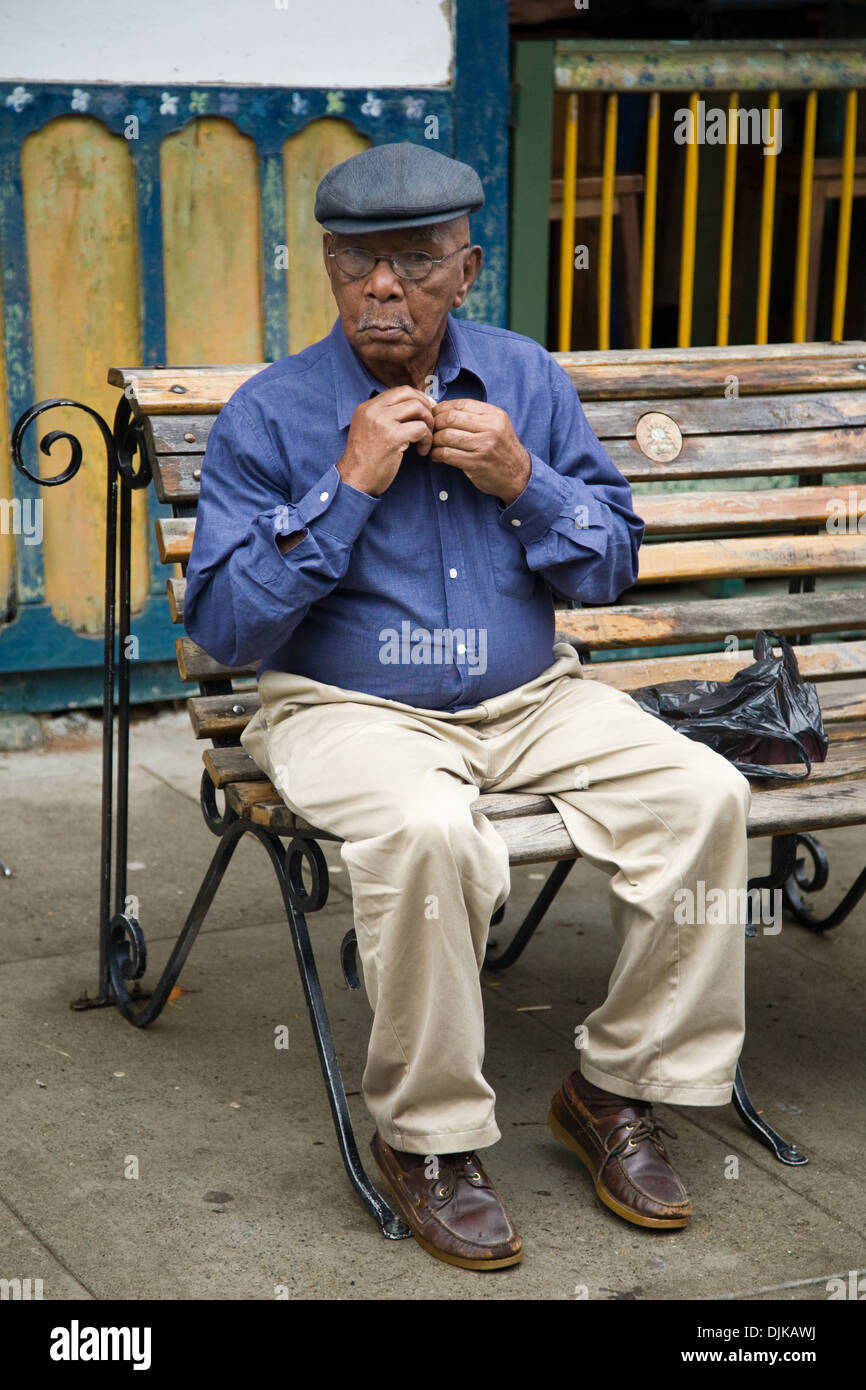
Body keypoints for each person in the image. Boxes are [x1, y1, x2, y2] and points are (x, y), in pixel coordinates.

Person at [183, 141, 751, 1272]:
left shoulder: (525, 380)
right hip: (346, 706)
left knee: (705, 793)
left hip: (531, 697)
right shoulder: (271, 414)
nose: (382, 288)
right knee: (430, 830)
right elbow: (224, 629)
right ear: (330, 272)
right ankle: (429, 1140)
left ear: (466, 268)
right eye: (356, 265)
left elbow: (608, 565)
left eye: (413, 261)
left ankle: (612, 1089)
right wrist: (340, 487)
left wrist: (523, 481)